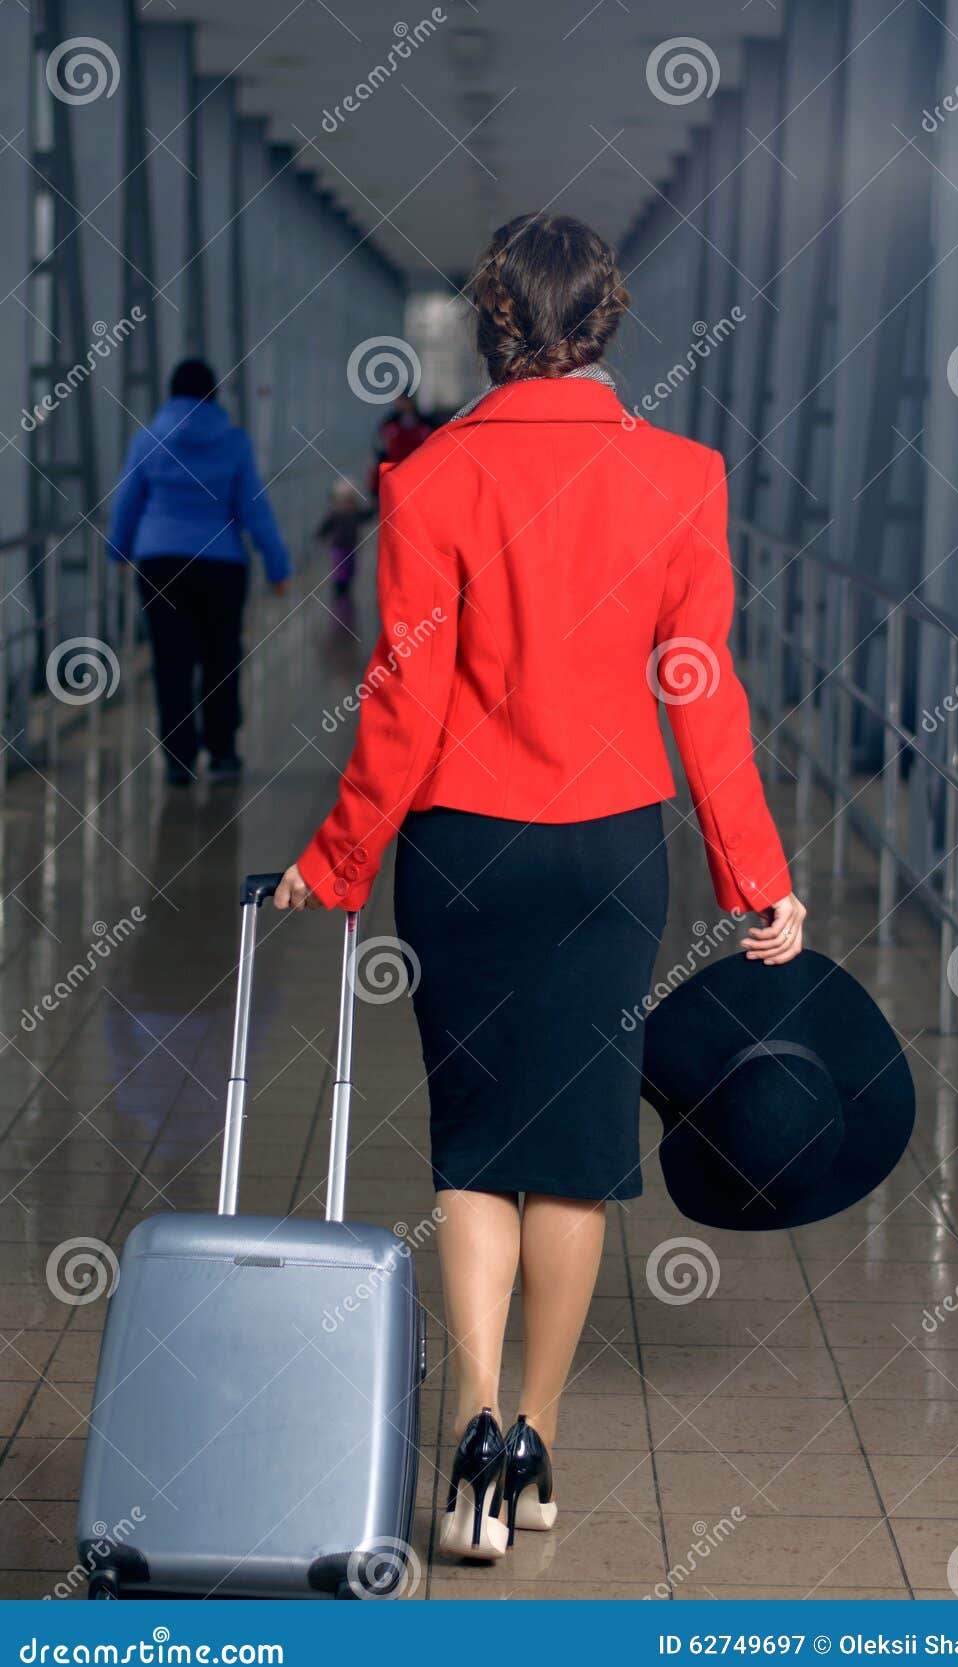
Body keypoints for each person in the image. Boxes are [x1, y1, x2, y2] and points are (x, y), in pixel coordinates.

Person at [275, 213, 806, 1560]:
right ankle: (537, 1445)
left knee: (472, 1151)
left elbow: (402, 695)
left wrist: (334, 859)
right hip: (610, 852)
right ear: (606, 321)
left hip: (463, 847)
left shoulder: (434, 475)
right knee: (574, 1153)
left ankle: (464, 1444)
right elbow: (700, 687)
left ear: (496, 323)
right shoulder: (682, 475)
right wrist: (757, 877)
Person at [107, 358, 291, 786]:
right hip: (220, 566)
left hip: (159, 562)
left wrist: (117, 551)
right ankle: (223, 752)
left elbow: (127, 500)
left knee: (171, 660)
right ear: (214, 395)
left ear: (171, 394)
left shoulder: (148, 439)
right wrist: (277, 565)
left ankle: (179, 759)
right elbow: (254, 509)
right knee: (220, 657)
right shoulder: (234, 442)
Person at [316, 478, 366, 599]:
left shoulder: (355, 513)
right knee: (339, 567)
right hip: (338, 546)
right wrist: (320, 534)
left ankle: (345, 588)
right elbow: (325, 525)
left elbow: (365, 515)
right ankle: (339, 589)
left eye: (350, 501)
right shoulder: (334, 514)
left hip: (351, 546)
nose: (347, 504)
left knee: (350, 567)